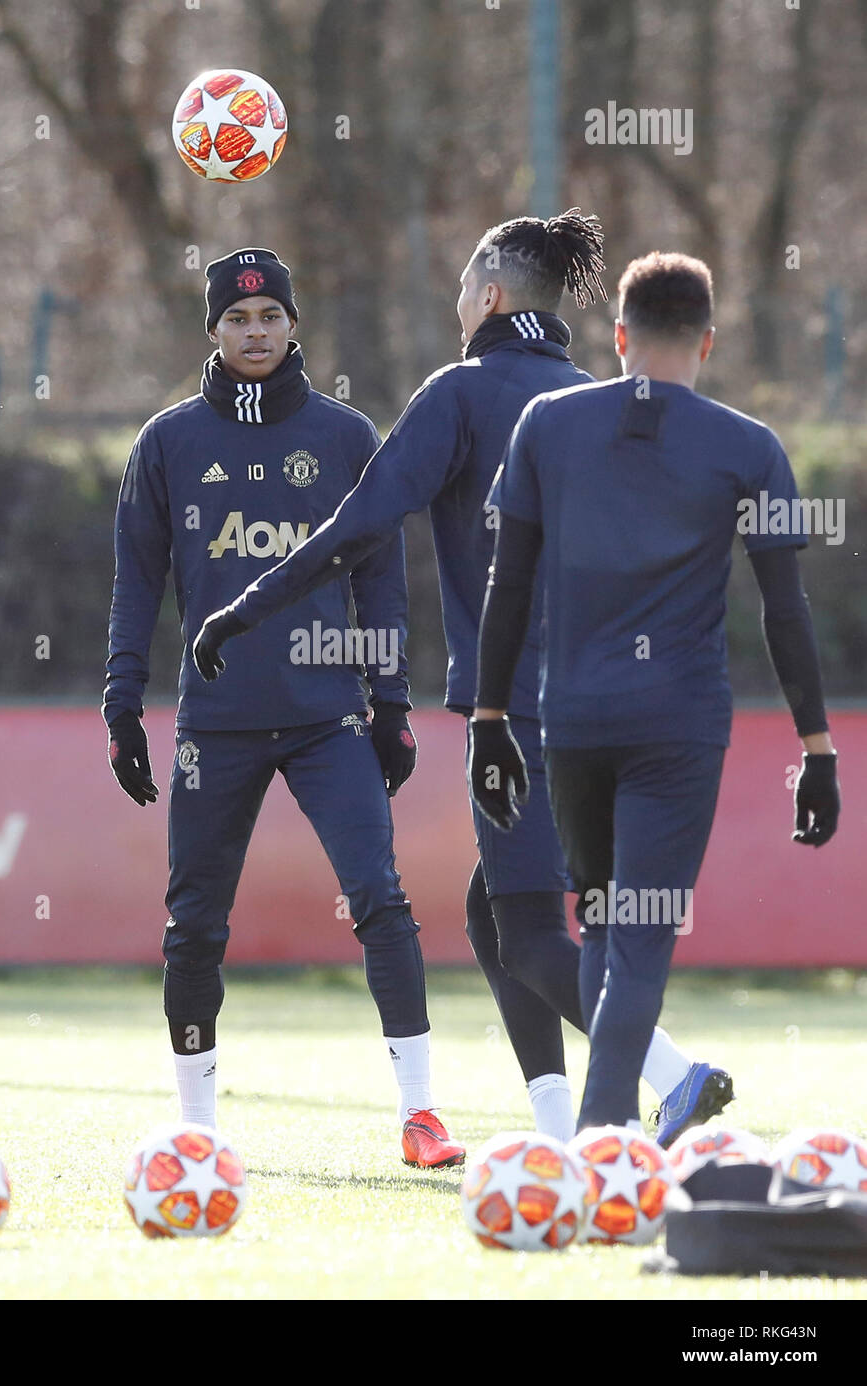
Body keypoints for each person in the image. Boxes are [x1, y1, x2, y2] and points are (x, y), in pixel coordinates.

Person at [193, 216, 730, 1146]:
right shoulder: (595, 399)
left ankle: (675, 1076)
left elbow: (360, 525)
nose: (454, 299)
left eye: (460, 283)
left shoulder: (462, 394)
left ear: (488, 295)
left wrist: (244, 607)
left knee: (527, 934)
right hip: (620, 706)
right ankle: (560, 1128)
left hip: (519, 714)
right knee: (495, 915)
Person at [103, 247, 464, 1169]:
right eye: (237, 320)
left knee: (380, 897)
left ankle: (421, 1116)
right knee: (193, 924)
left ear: (294, 324)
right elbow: (137, 583)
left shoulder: (346, 436)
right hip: (214, 722)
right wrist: (120, 699)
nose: (255, 333)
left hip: (326, 715)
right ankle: (199, 1128)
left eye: (270, 318)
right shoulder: (169, 442)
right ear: (213, 332)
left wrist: (390, 701)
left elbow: (381, 577)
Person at [468, 251, 840, 1133]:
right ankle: (604, 1148)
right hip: (677, 725)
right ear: (707, 340)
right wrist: (816, 747)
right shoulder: (748, 447)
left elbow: (506, 584)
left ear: (620, 334)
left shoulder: (545, 424)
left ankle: (618, 1133)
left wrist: (488, 719)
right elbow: (786, 611)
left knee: (601, 927)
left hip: (572, 723)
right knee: (636, 937)